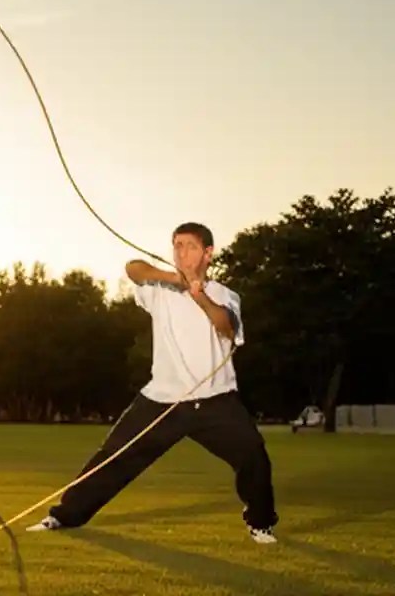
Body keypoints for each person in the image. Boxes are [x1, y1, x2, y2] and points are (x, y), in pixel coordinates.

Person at [26, 222, 279, 544]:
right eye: (176, 245)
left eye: (189, 245)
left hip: (215, 400)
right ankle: (62, 516)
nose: (180, 251)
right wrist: (175, 279)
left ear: (208, 253)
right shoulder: (160, 289)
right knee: (114, 456)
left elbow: (226, 326)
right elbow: (133, 269)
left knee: (253, 456)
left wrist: (198, 294)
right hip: (162, 401)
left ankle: (260, 523)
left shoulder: (225, 295)